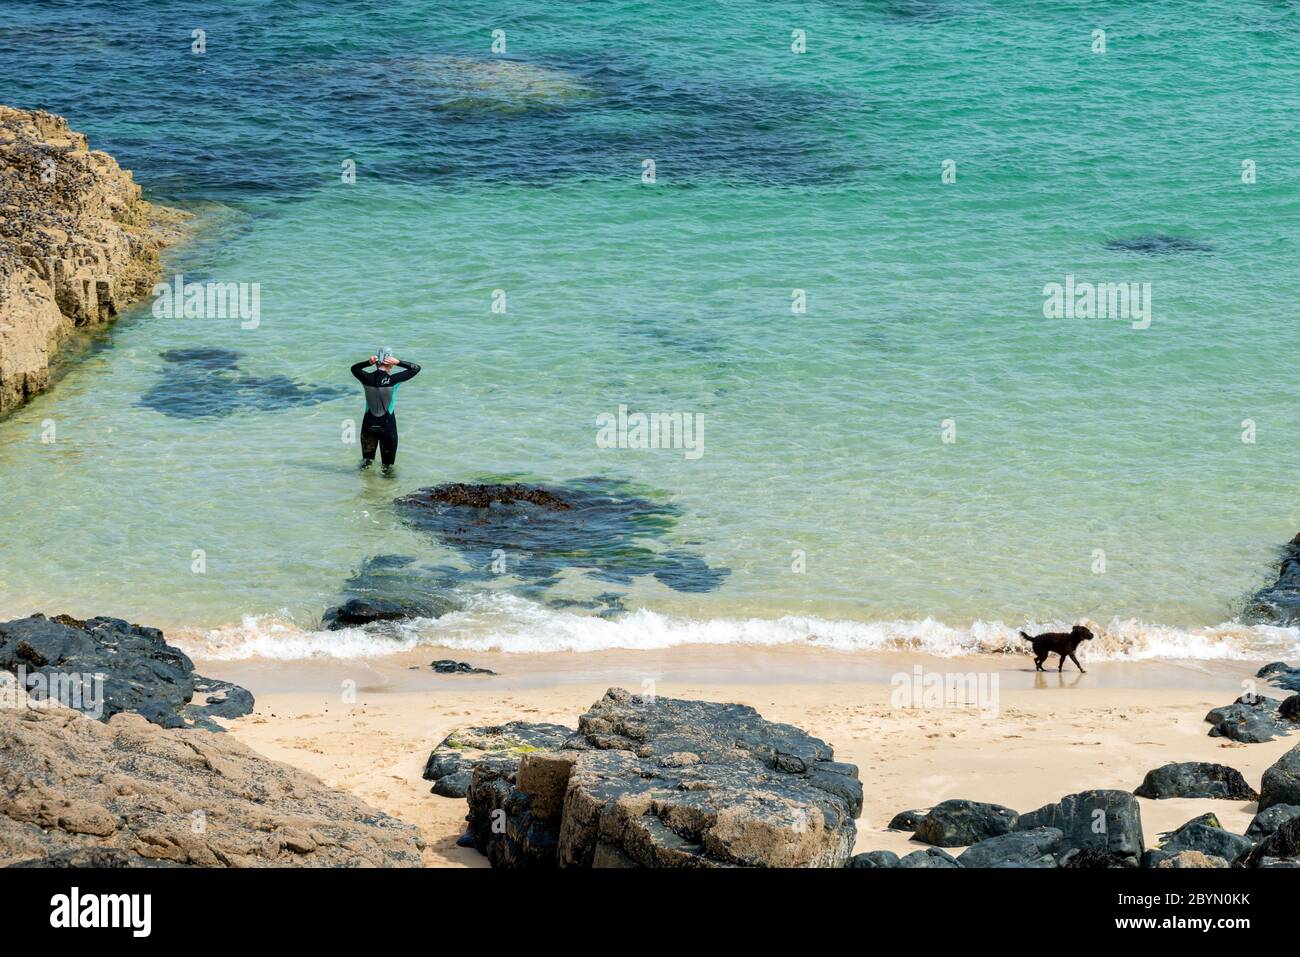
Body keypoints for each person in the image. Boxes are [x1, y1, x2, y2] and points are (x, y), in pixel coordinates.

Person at [350, 348, 420, 472]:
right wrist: (399, 362)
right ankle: (388, 490)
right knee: (388, 469)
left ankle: (364, 489)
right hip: (388, 428)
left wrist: (367, 363)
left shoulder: (367, 378)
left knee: (366, 465)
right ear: (391, 363)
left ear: (376, 362)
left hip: (368, 427)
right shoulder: (394, 380)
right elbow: (415, 368)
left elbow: (354, 368)